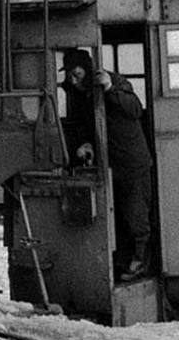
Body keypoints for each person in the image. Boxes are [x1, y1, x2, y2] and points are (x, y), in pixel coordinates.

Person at [59, 48, 154, 282]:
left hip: (132, 161)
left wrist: (110, 89)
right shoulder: (80, 96)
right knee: (119, 216)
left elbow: (134, 109)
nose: (73, 77)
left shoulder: (115, 82)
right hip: (108, 164)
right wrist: (85, 144)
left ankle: (142, 262)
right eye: (70, 73)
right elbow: (82, 125)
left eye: (77, 71)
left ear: (87, 68)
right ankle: (125, 260)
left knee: (136, 214)